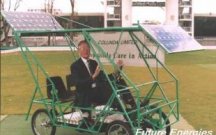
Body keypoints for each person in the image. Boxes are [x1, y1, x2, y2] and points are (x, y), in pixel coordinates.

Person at [70, 40, 112, 110]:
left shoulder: (94, 63)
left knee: (114, 87)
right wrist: (93, 77)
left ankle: (128, 106)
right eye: (83, 49)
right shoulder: (75, 66)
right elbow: (78, 83)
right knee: (108, 91)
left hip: (96, 90)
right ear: (79, 51)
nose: (86, 51)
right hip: (85, 92)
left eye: (87, 49)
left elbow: (103, 77)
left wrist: (116, 72)